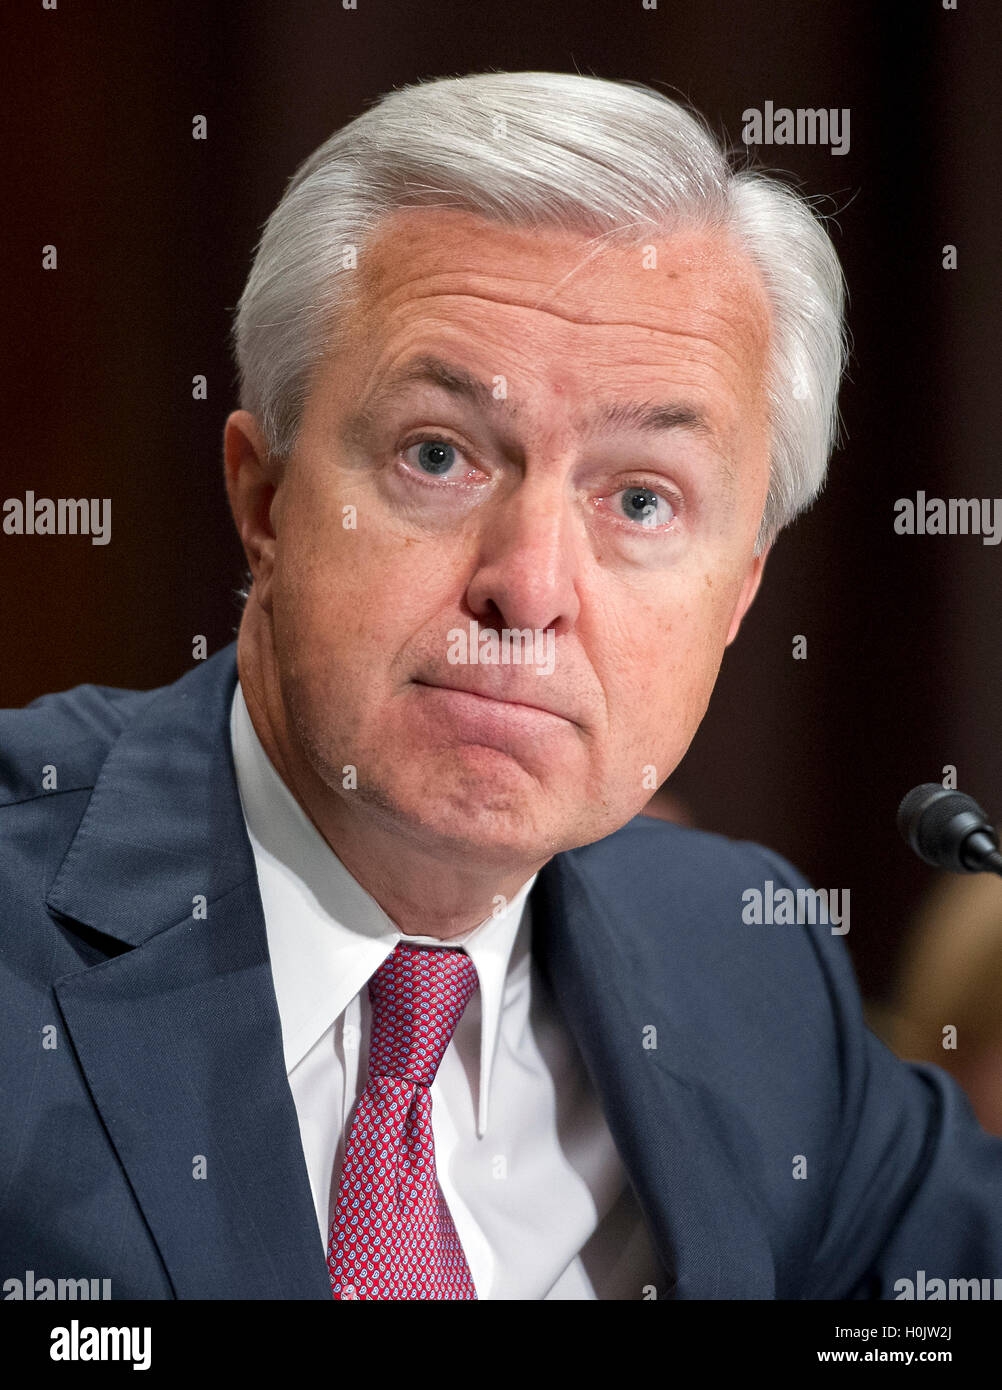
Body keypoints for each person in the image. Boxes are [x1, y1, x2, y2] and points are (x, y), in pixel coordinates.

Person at [2, 70, 1000, 1302]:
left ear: (740, 593)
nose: (528, 588)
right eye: (439, 455)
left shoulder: (743, 962)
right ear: (264, 501)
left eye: (642, 500)